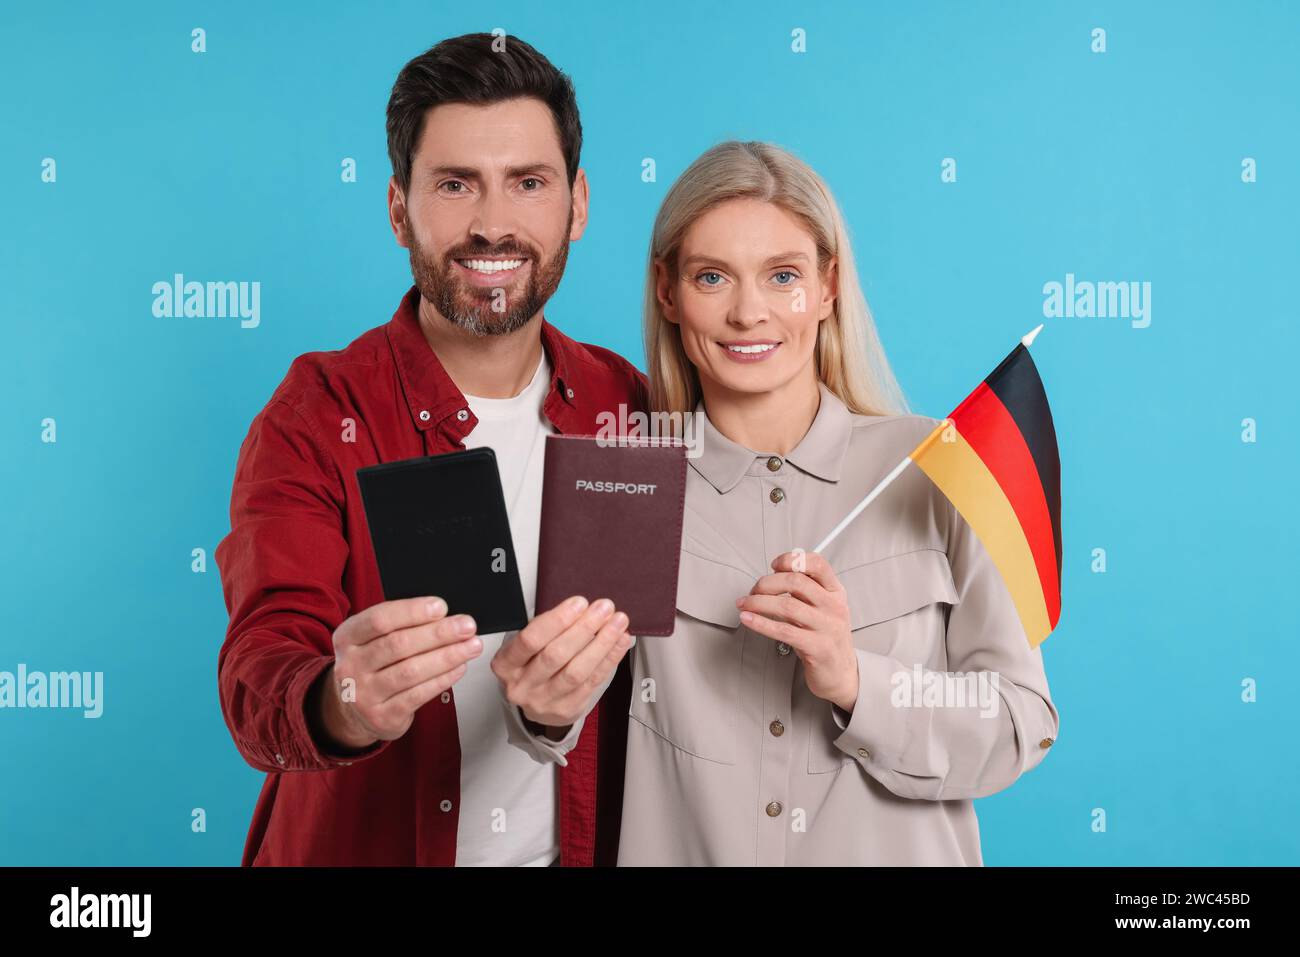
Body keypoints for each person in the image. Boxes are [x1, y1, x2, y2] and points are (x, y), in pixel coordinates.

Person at [495, 140, 1061, 865]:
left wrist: (856, 681)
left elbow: (1022, 724)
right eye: (711, 277)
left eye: (783, 276)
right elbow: (558, 728)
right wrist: (538, 709)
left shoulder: (938, 468)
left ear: (828, 286)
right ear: (667, 291)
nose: (748, 312)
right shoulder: (624, 481)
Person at [214, 33, 640, 867]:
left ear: (578, 205)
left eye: (528, 183)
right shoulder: (316, 411)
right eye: (454, 184)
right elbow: (259, 659)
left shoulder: (627, 403)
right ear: (399, 208)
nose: (492, 223)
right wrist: (344, 701)